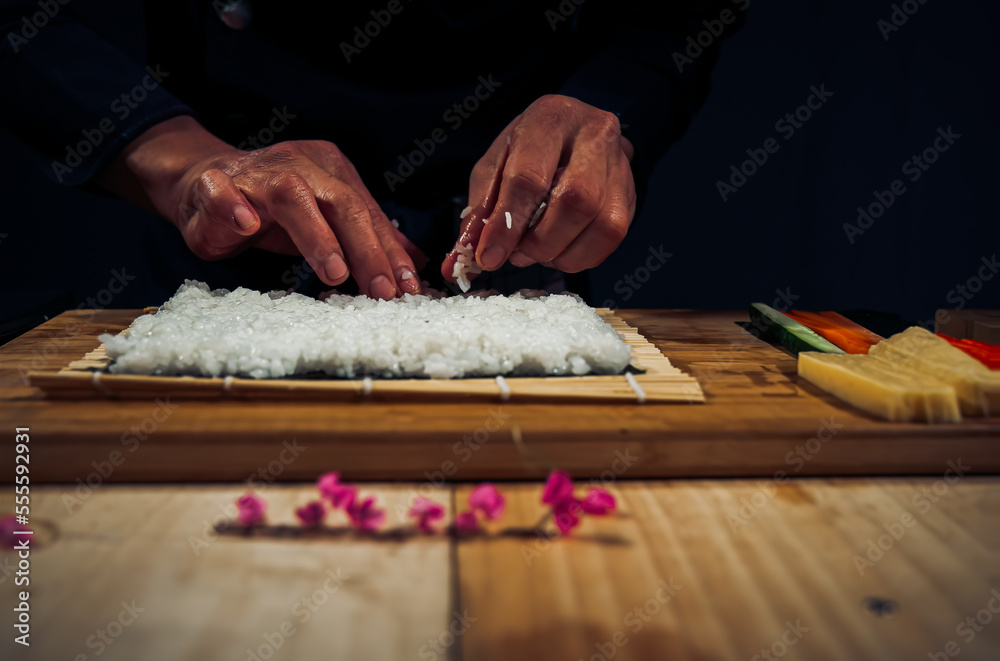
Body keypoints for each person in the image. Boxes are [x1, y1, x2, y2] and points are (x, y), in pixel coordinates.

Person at [1, 0, 744, 299]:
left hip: (508, 231)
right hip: (230, 222)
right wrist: (181, 158)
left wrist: (610, 104)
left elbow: (670, 19)